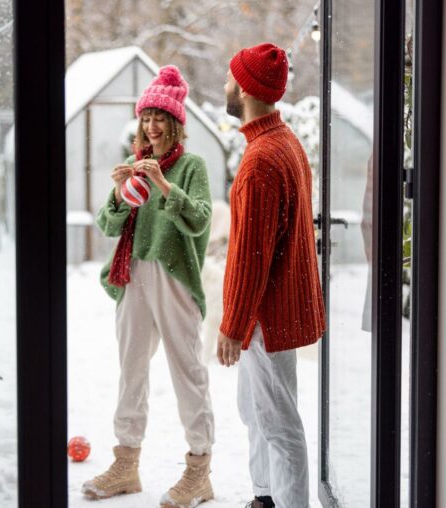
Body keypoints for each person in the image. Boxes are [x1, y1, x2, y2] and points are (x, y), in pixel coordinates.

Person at [82, 65, 215, 508]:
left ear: (175, 123)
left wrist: (161, 183)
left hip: (173, 278)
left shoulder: (191, 166)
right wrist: (120, 193)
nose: (152, 126)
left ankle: (199, 470)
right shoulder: (135, 164)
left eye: (160, 118)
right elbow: (107, 225)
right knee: (131, 371)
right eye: (146, 117)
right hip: (133, 273)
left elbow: (200, 220)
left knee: (187, 371)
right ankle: (126, 464)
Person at [216, 43, 327, 508]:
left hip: (266, 314)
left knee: (279, 423)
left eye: (230, 77)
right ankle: (266, 497)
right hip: (274, 309)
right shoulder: (282, 141)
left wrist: (233, 325)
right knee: (257, 412)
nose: (225, 83)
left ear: (244, 89)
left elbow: (251, 256)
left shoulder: (261, 160)